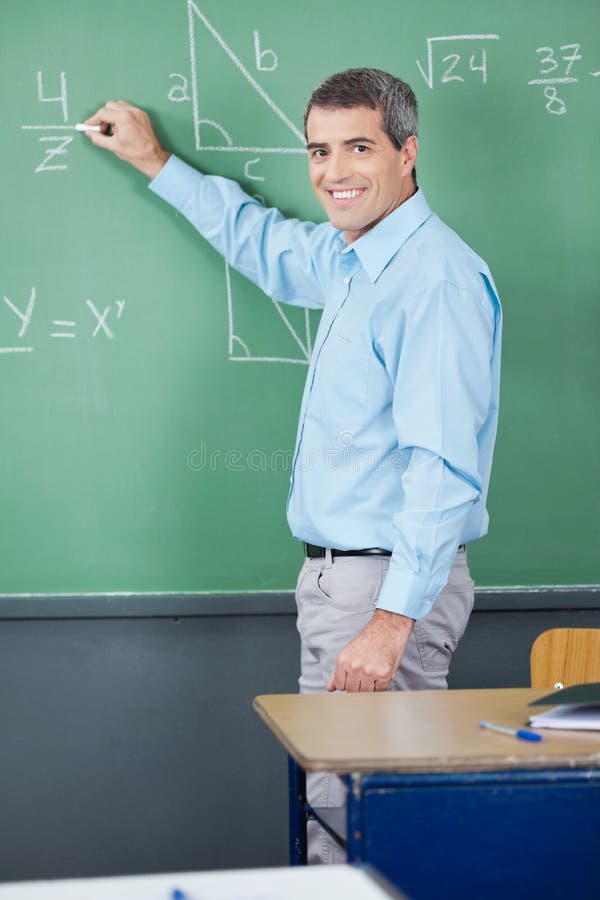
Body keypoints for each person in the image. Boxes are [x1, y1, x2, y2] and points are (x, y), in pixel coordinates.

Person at [84, 68, 502, 863]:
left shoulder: (433, 281)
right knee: (334, 822)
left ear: (407, 152)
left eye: (358, 148)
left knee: (369, 834)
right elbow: (263, 242)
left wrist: (391, 622)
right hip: (342, 585)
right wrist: (154, 161)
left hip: (383, 590)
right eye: (318, 151)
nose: (334, 171)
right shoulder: (352, 259)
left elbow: (443, 468)